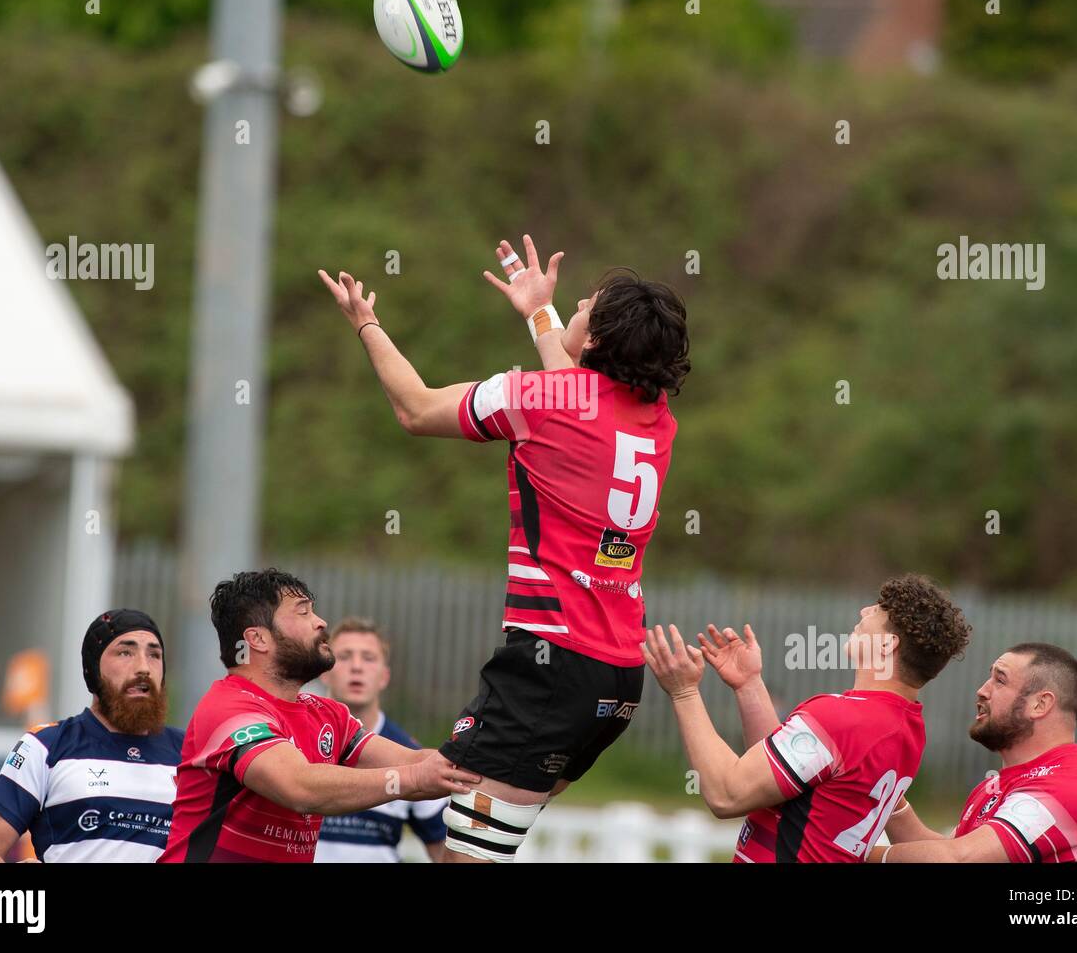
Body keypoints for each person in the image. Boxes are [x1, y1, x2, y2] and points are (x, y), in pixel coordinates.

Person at [318, 234, 689, 862]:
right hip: (617, 676)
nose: (570, 307)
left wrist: (367, 322)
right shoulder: (656, 419)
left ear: (596, 340)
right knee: (475, 831)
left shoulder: (537, 400)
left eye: (582, 306)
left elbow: (415, 409)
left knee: (462, 849)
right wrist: (541, 314)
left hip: (548, 668)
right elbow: (579, 394)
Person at [642, 574, 972, 862]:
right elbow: (787, 779)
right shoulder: (908, 727)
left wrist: (684, 693)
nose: (863, 612)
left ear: (887, 644)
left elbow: (727, 795)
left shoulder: (842, 718)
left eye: (876, 611)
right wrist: (749, 686)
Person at [160, 569, 478, 862]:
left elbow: (415, 762)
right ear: (257, 639)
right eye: (303, 611)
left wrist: (483, 765)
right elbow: (301, 787)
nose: (321, 621)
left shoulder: (327, 713)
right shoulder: (227, 707)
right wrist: (414, 779)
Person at [0, 609, 183, 862]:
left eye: (154, 655)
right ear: (93, 670)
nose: (144, 667)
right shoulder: (45, 746)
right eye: (126, 652)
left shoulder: (191, 753)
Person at [874, 642, 1077, 863]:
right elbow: (947, 851)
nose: (982, 690)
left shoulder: (1069, 783)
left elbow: (959, 858)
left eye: (1000, 680)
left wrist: (849, 853)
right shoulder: (992, 787)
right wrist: (885, 790)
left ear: (1040, 704)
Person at [314, 618, 447, 862]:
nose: (356, 667)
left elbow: (443, 851)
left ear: (384, 676)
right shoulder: (297, 740)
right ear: (324, 672)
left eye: (368, 658)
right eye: (344, 656)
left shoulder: (409, 755)